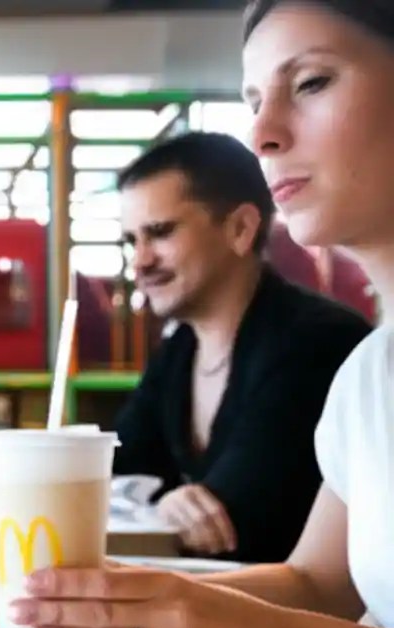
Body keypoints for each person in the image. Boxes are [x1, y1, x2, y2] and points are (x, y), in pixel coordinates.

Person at [0, 0, 394, 628]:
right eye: (253, 102)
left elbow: (259, 553)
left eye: (312, 82)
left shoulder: (317, 346)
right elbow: (318, 585)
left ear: (241, 230)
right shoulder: (370, 374)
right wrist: (111, 599)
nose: (260, 133)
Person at [110, 131, 371, 563]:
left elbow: (237, 523)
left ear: (240, 228)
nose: (140, 261)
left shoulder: (315, 342)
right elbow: (117, 473)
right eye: (131, 241)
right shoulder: (180, 350)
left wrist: (163, 503)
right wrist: (165, 504)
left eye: (160, 232)